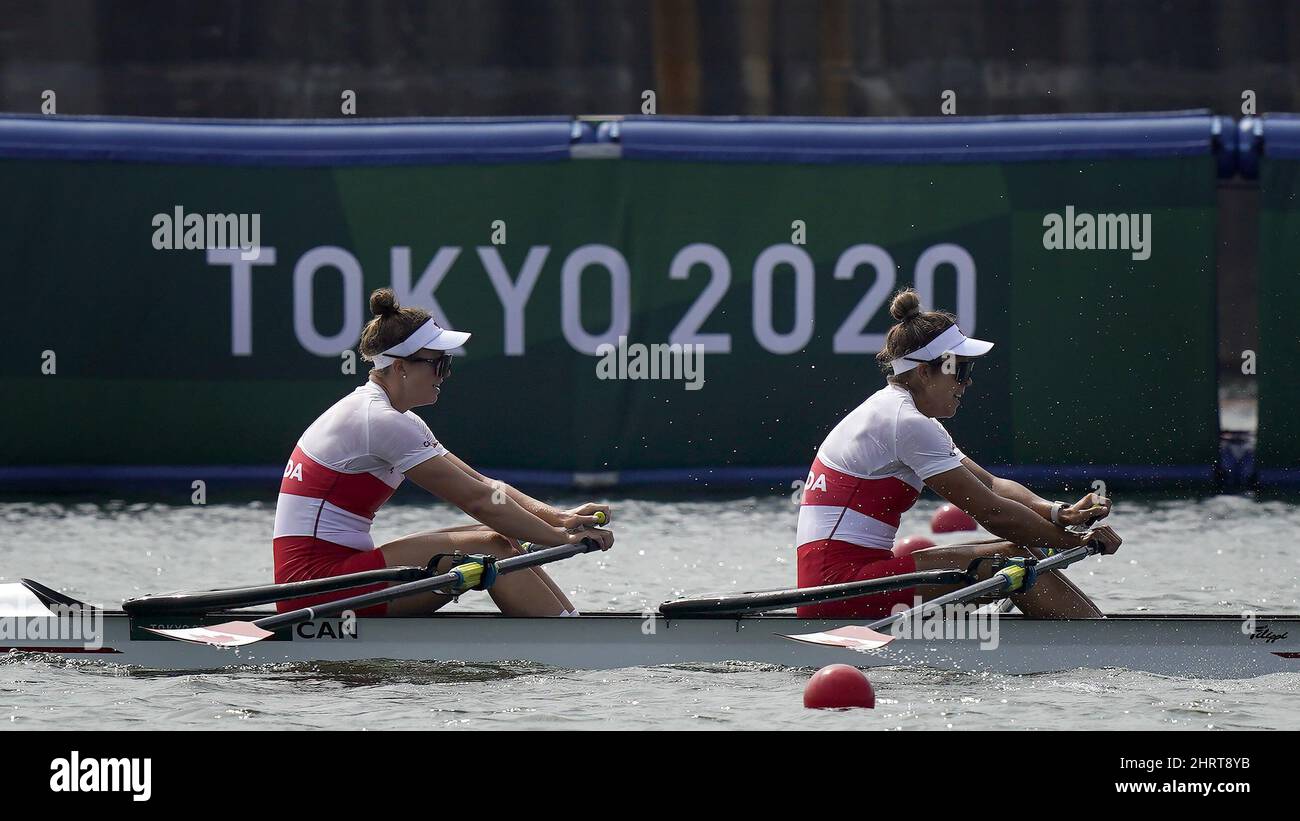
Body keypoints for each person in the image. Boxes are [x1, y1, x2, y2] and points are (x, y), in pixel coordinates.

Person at [273, 288, 614, 617]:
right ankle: (573, 644)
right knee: (489, 547)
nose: (446, 375)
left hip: (343, 575)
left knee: (497, 536)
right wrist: (559, 538)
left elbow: (485, 486)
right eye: (438, 364)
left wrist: (562, 519)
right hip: (312, 590)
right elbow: (477, 501)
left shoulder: (396, 418)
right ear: (401, 366)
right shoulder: (378, 420)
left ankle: (570, 625)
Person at [796, 288, 1121, 620]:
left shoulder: (905, 415)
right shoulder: (904, 422)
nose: (967, 383)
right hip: (836, 586)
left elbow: (992, 486)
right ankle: (1107, 654)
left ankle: (1092, 638)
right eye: (960, 371)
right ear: (923, 371)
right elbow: (993, 513)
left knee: (1021, 553)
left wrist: (1058, 514)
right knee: (1013, 561)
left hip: (853, 578)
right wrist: (1074, 541)